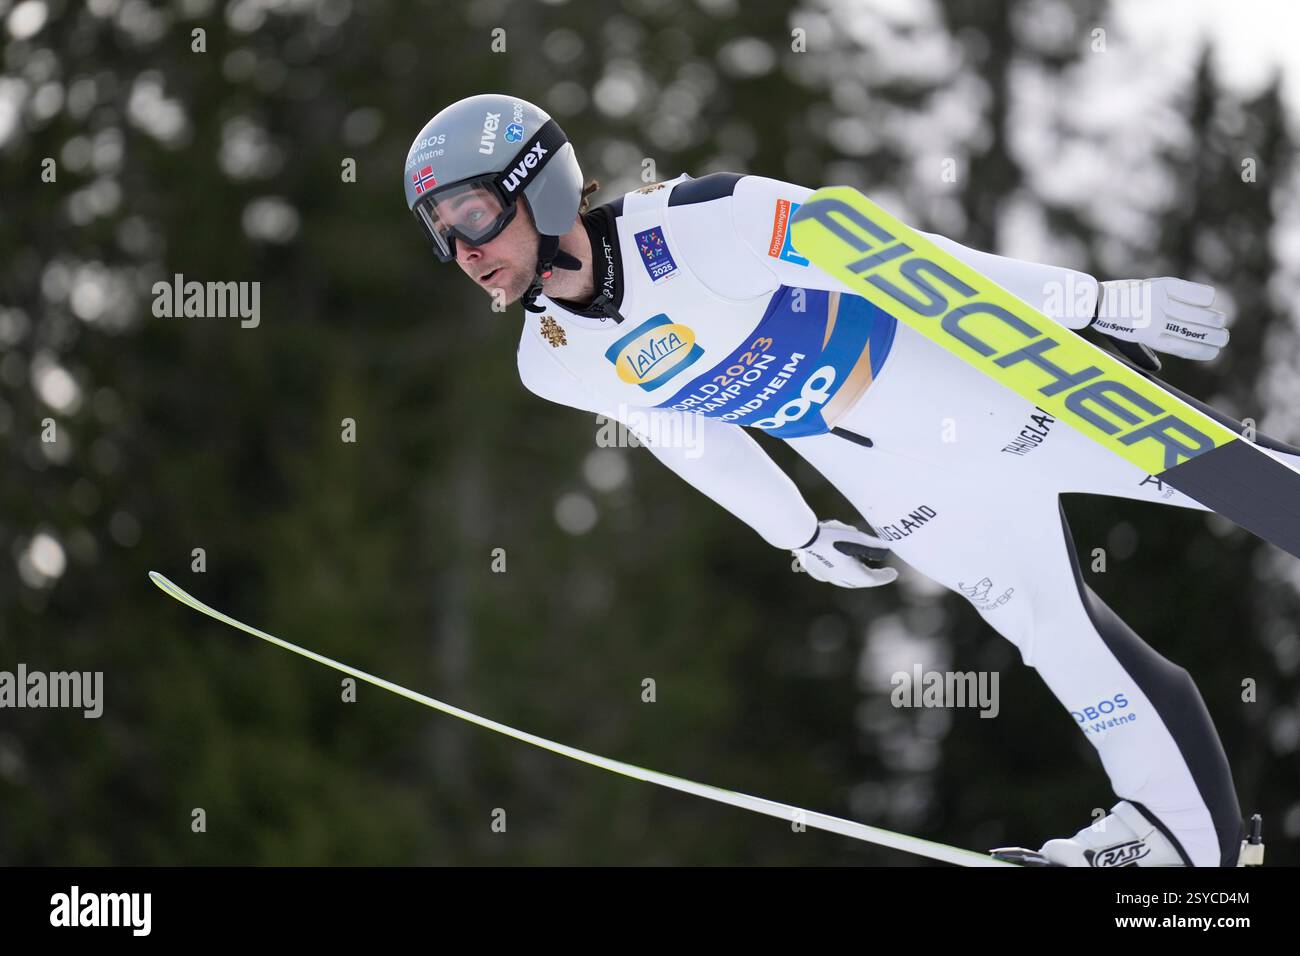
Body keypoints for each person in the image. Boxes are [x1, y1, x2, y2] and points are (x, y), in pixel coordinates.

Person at [403, 92, 1258, 866]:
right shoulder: (551, 363)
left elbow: (908, 264)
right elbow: (687, 438)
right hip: (908, 488)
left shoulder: (712, 221)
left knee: (1253, 488)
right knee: (1055, 634)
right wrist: (800, 534)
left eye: (471, 214)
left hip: (1001, 392)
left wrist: (1088, 303)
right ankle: (1176, 837)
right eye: (438, 230)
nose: (461, 250)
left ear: (541, 188)